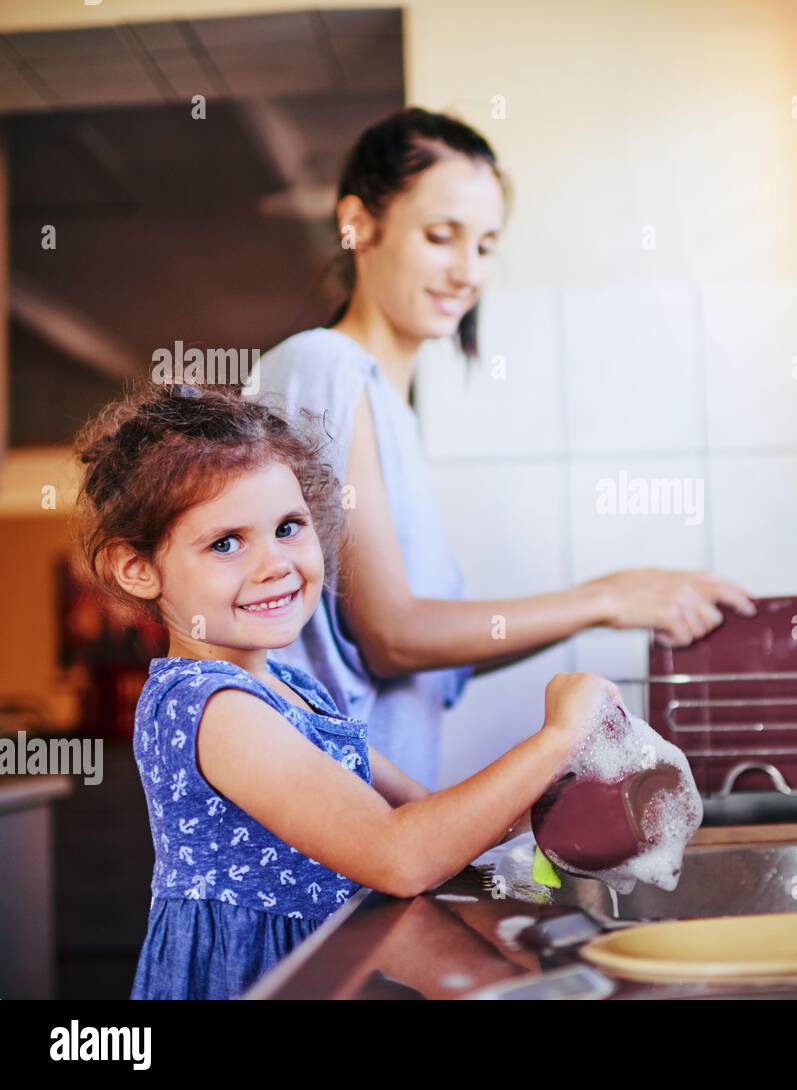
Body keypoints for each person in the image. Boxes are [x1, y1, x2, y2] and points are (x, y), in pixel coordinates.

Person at [253, 108, 754, 789]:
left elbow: (432, 654)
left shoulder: (387, 405)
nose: (467, 273)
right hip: (323, 836)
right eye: (441, 236)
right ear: (358, 225)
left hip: (379, 826)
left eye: (486, 246)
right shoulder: (324, 367)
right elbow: (393, 635)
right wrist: (607, 596)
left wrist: (619, 598)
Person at [72, 382, 620, 999]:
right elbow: (400, 854)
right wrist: (558, 736)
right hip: (255, 981)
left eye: (288, 527)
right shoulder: (210, 708)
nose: (274, 563)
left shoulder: (290, 689)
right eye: (225, 543)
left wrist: (569, 798)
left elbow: (427, 815)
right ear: (136, 568)